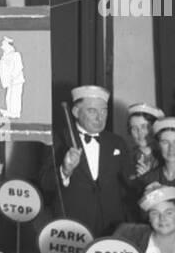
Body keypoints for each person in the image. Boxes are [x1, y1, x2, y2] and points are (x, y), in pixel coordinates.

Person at [41, 85, 127, 236]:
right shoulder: (57, 140)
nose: (100, 117)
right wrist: (65, 171)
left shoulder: (117, 143)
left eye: (104, 110)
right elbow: (45, 184)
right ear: (75, 112)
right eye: (92, 111)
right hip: (72, 230)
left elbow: (128, 187)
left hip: (112, 230)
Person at [122, 102, 163, 215]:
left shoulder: (166, 156)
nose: (140, 133)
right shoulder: (125, 156)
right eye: (134, 128)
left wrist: (148, 178)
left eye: (144, 127)